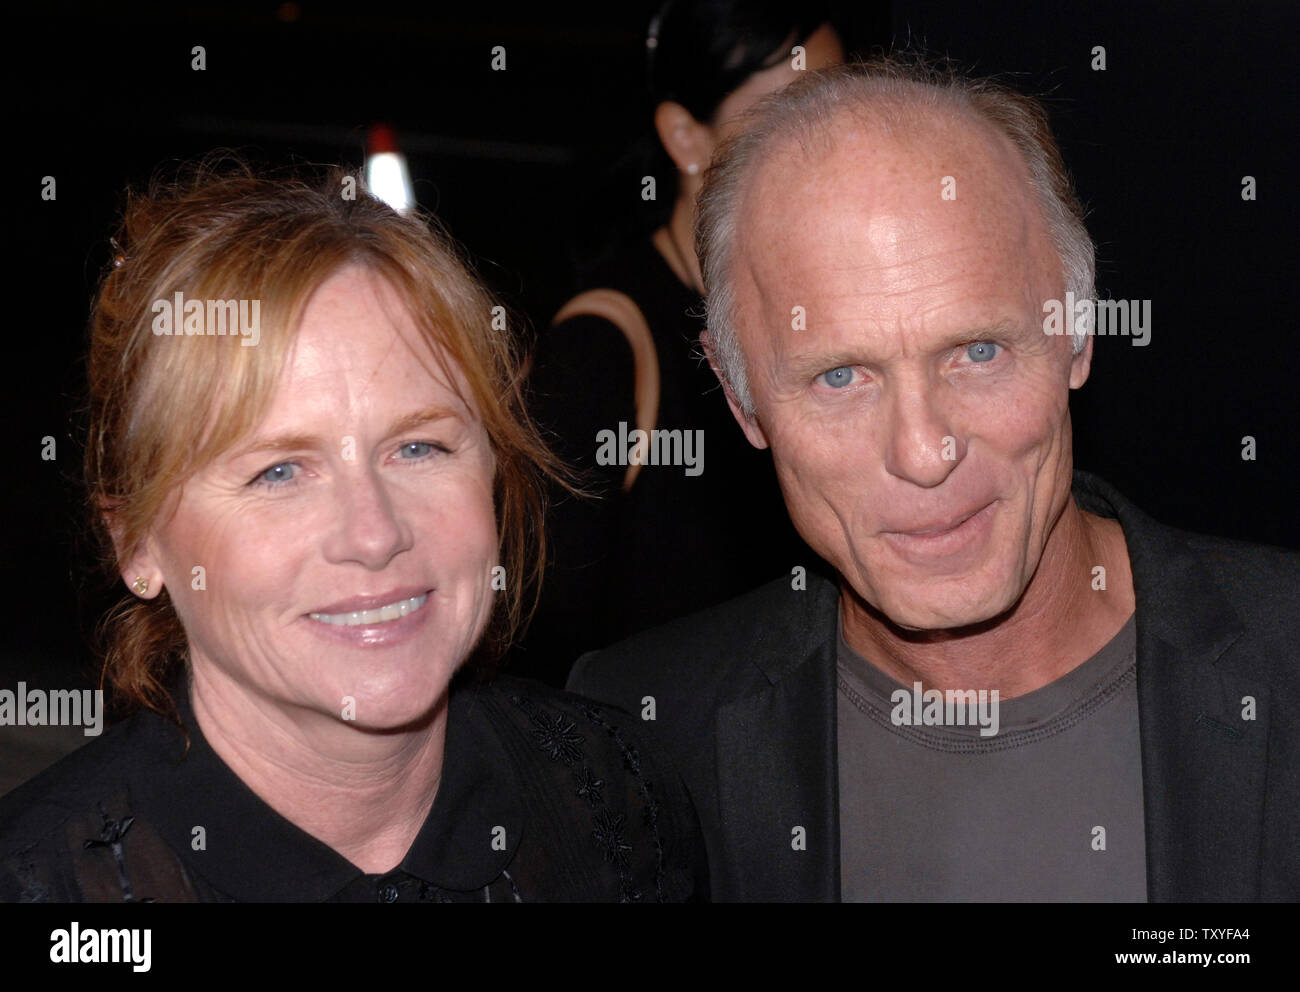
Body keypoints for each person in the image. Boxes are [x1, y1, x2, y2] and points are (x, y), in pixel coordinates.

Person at [569, 57, 1300, 901]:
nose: (923, 452)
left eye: (978, 352)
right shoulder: (639, 740)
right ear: (741, 400)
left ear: (1078, 333)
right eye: (840, 377)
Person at [0, 162, 703, 903]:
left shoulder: (620, 800)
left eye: (418, 447)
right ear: (135, 544)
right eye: (278, 471)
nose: (374, 535)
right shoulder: (42, 887)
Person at [522, 1, 848, 682]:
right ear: (685, 136)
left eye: (840, 103)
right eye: (788, 111)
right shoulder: (603, 344)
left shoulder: (831, 315)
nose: (830, 143)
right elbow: (536, 645)